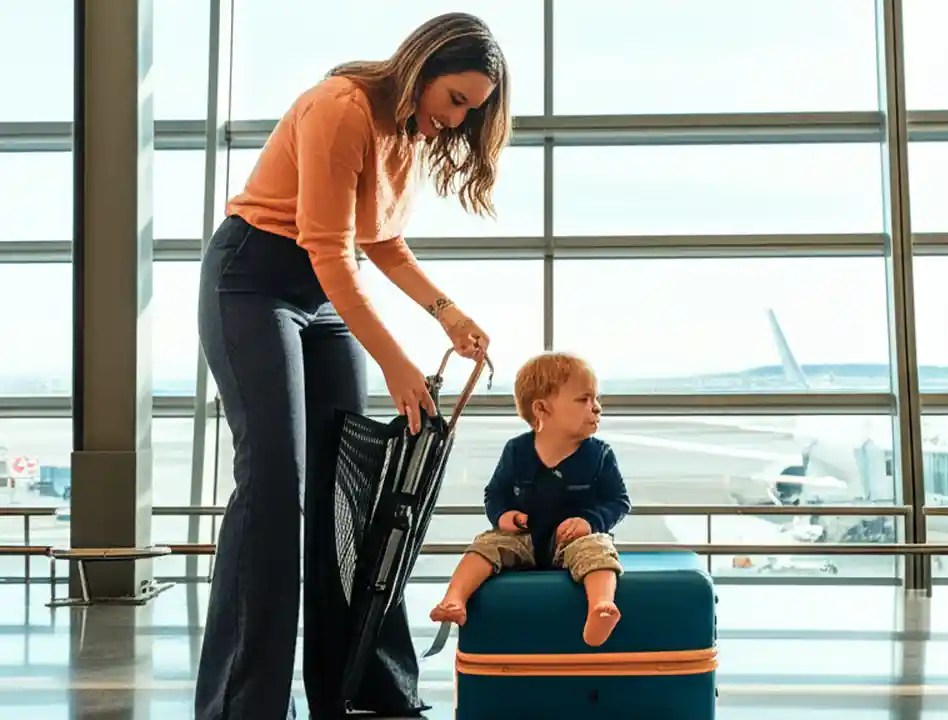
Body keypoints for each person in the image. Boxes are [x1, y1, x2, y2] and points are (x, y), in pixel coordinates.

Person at [193, 13, 510, 720]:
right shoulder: (341, 108)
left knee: (349, 495)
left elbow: (382, 242)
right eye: (455, 100)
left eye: (471, 111)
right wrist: (396, 363)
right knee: (276, 491)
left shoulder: (406, 132)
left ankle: (362, 690)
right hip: (253, 279)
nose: (457, 121)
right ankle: (241, 709)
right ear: (423, 67)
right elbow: (331, 252)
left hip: (321, 295)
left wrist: (446, 312)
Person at [429, 352, 632, 647]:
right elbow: (495, 493)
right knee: (485, 544)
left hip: (572, 541)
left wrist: (590, 522)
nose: (597, 407)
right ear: (542, 409)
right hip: (523, 538)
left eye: (595, 399)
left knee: (599, 550)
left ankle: (601, 607)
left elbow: (618, 501)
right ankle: (454, 599)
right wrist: (503, 516)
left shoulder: (599, 455)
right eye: (584, 399)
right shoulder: (516, 451)